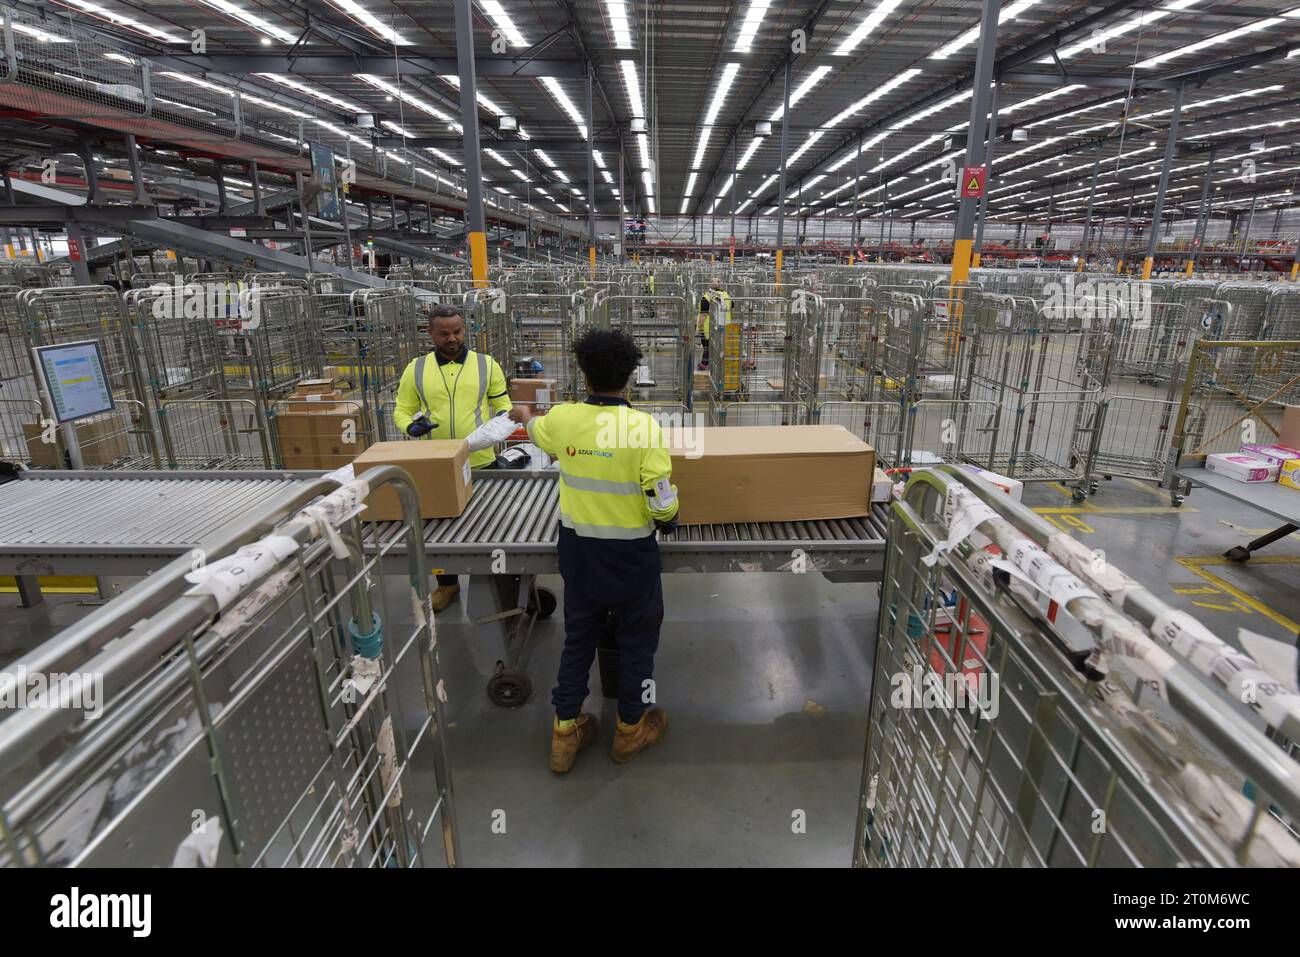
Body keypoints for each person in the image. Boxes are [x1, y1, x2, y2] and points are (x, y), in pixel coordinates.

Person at [509, 329, 679, 773]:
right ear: (630, 376)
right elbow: (660, 494)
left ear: (583, 374)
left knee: (578, 639)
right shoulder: (644, 427)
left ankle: (564, 733)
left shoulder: (564, 419)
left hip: (580, 553)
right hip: (631, 559)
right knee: (638, 644)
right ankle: (629, 731)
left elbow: (534, 429)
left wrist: (525, 413)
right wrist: (668, 516)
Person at [394, 303, 512, 611]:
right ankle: (447, 584)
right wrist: (411, 426)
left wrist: (501, 422)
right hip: (435, 465)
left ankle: (498, 581)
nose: (452, 338)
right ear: (430, 333)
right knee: (438, 530)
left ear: (465, 330)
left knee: (490, 524)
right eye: (444, 333)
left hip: (481, 460)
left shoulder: (486, 364)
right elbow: (401, 410)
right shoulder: (416, 369)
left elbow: (503, 405)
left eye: (457, 332)